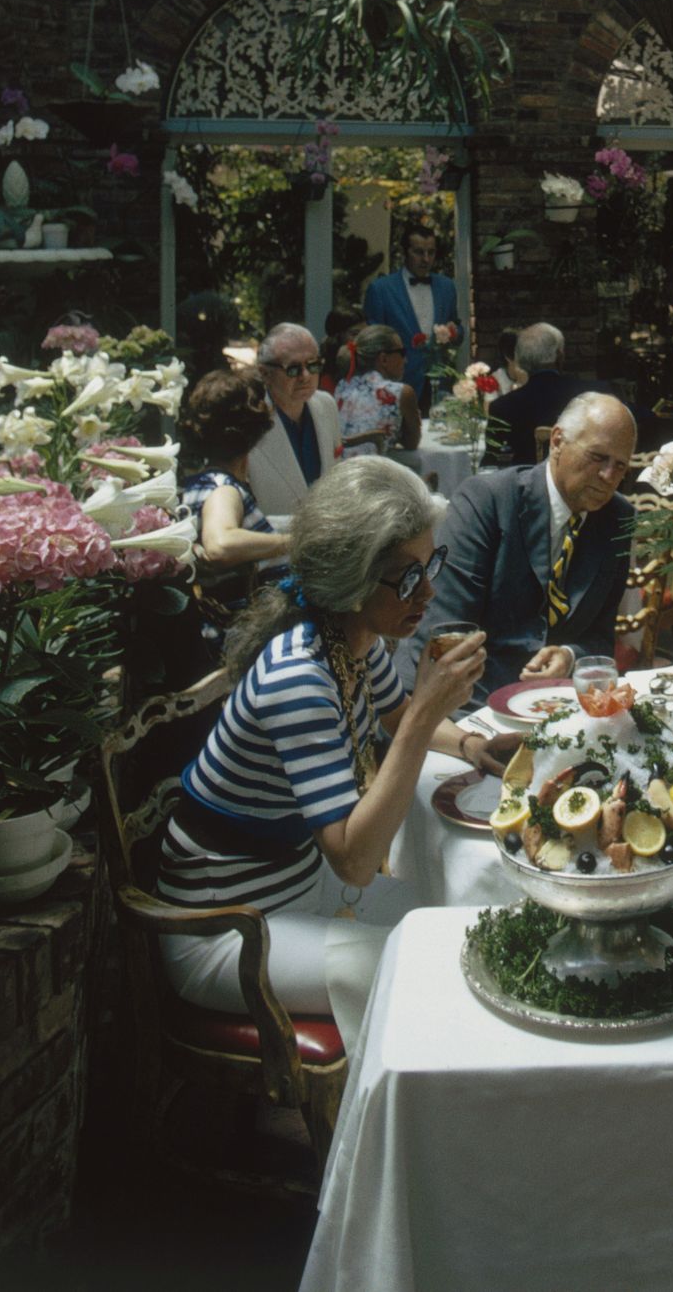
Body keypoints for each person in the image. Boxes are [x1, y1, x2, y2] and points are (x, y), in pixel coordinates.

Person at [157, 458, 510, 1052]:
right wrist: (427, 715)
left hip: (295, 885)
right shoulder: (301, 675)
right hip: (229, 930)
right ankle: (396, 1135)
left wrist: (473, 743)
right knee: (442, 972)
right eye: (406, 579)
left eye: (430, 567)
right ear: (350, 580)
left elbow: (393, 710)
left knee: (465, 921)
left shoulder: (347, 636)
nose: (428, 593)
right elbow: (354, 859)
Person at [403, 392, 637, 704]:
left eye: (620, 466)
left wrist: (569, 656)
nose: (609, 477)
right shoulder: (487, 501)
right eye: (597, 457)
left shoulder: (618, 518)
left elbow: (600, 637)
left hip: (550, 705)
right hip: (460, 701)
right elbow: (444, 636)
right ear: (557, 442)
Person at [180, 368, 291, 600]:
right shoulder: (224, 489)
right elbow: (220, 544)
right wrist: (292, 542)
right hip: (238, 632)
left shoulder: (197, 484)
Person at [246, 323, 344, 519]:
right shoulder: (249, 418)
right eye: (293, 369)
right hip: (271, 540)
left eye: (313, 365)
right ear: (265, 373)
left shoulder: (326, 404)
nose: (305, 376)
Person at [364, 217, 461, 412]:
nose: (426, 259)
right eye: (419, 252)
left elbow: (457, 328)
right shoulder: (381, 289)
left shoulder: (447, 286)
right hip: (398, 383)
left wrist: (453, 333)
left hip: (438, 382)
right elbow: (372, 344)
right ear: (404, 253)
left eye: (431, 252)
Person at [484, 322, 590, 468]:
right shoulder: (588, 396)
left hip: (524, 487)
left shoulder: (502, 407)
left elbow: (491, 464)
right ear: (560, 356)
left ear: (520, 361)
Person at [333, 325, 423, 458]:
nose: (405, 360)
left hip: (340, 471)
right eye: (402, 353)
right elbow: (411, 444)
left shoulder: (342, 386)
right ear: (384, 359)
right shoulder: (401, 392)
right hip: (375, 475)